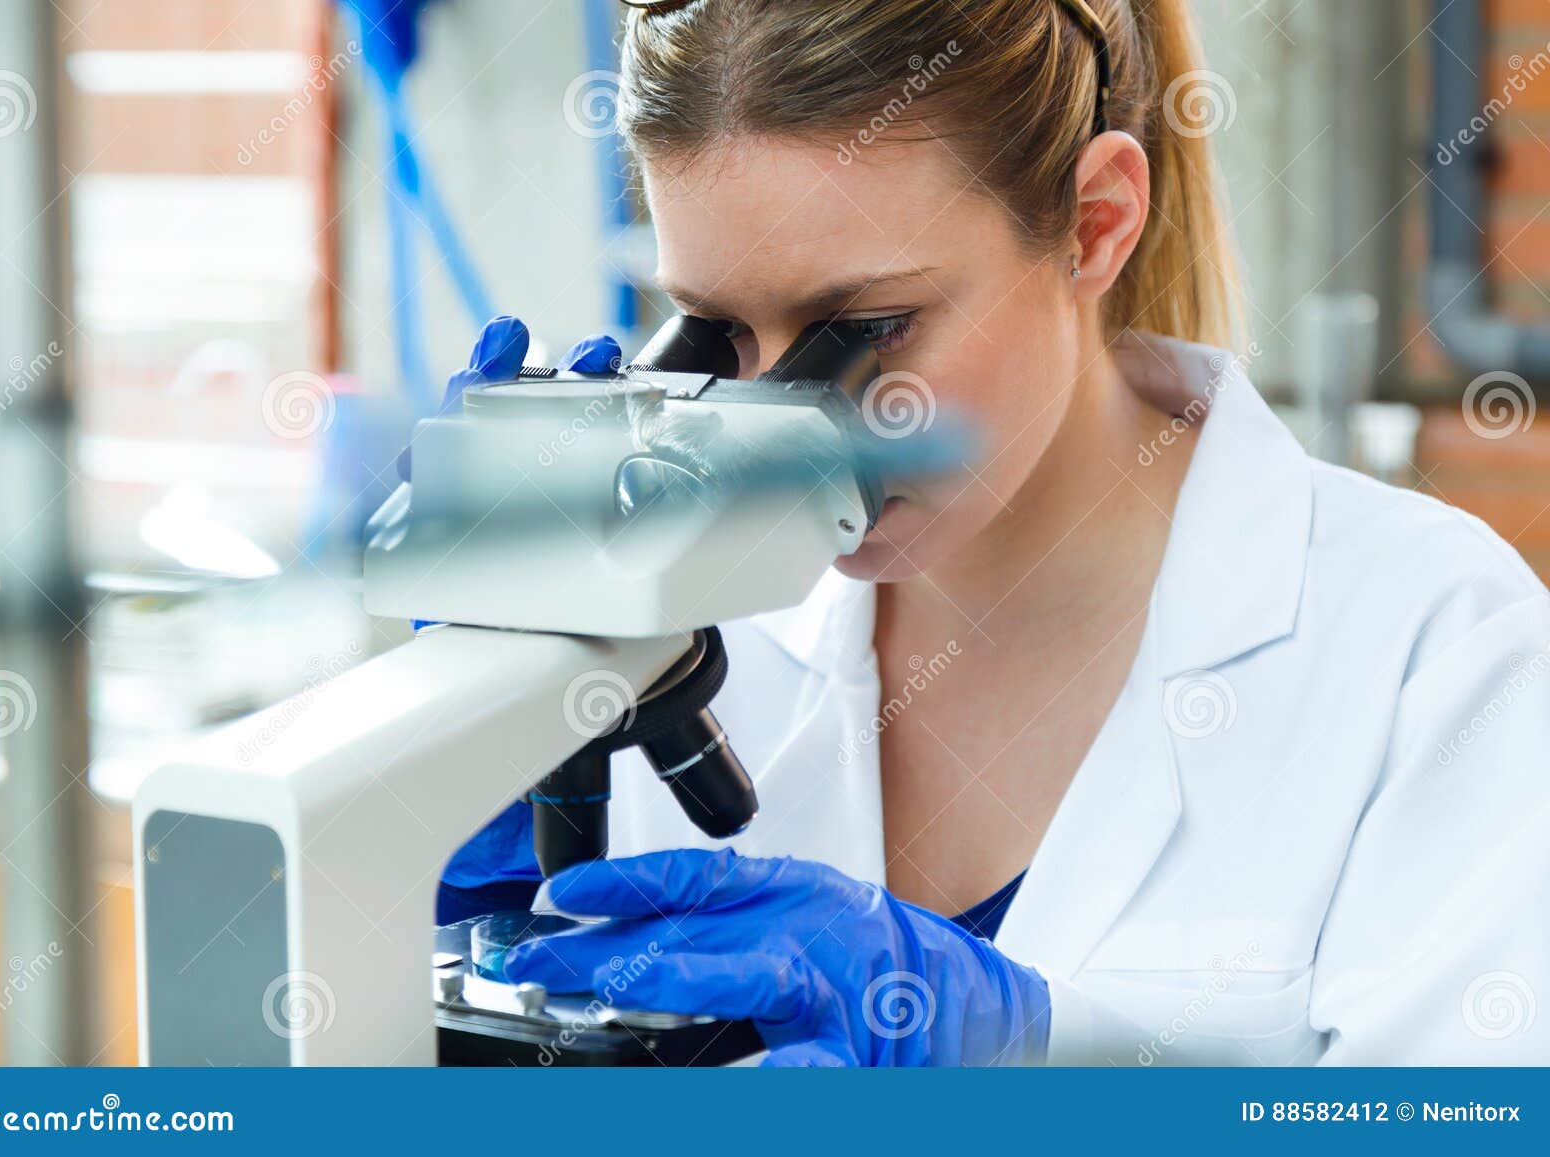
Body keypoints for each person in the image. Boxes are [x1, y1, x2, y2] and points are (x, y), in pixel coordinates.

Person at [438, 0, 1550, 1065]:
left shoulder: (1436, 651)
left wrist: (1042, 1063)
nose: (782, 431)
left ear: (1096, 223)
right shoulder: (663, 609)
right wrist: (445, 757)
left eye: (865, 330)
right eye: (718, 333)